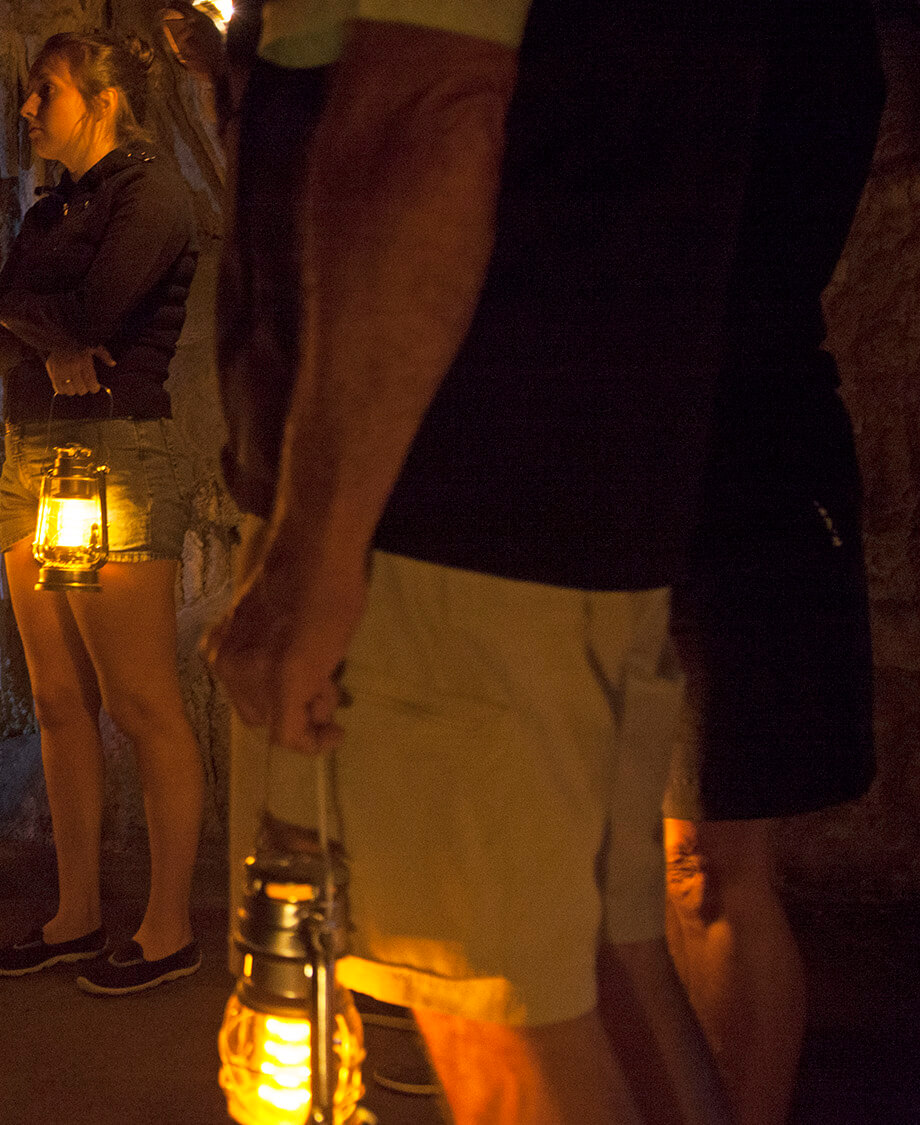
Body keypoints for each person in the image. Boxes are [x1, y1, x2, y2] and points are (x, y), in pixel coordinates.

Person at [205, 3, 782, 1121]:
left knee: (497, 1025)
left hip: (437, 504)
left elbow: (428, 117)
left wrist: (316, 547)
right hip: (571, 493)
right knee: (598, 971)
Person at [663, 5, 882, 1123]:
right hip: (644, 465)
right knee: (659, 861)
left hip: (746, 463)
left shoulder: (798, 37)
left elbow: (729, 251)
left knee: (713, 858)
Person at [0, 31, 206, 995]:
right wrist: (37, 325)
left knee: (140, 699)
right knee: (58, 699)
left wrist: (31, 316)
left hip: (117, 453)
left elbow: (98, 315)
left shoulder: (152, 194)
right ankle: (75, 914)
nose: (28, 109)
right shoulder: (48, 211)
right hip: (28, 453)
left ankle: (168, 928)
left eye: (46, 91)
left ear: (101, 99)